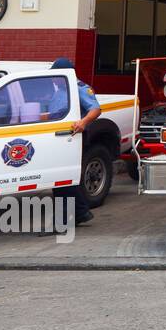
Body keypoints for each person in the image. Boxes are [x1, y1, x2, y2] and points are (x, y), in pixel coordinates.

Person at [49, 58, 101, 227]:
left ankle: (64, 221)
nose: (53, 78)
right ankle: (81, 212)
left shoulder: (79, 88)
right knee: (63, 179)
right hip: (57, 138)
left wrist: (83, 122)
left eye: (55, 75)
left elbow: (95, 109)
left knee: (61, 180)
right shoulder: (60, 90)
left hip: (72, 137)